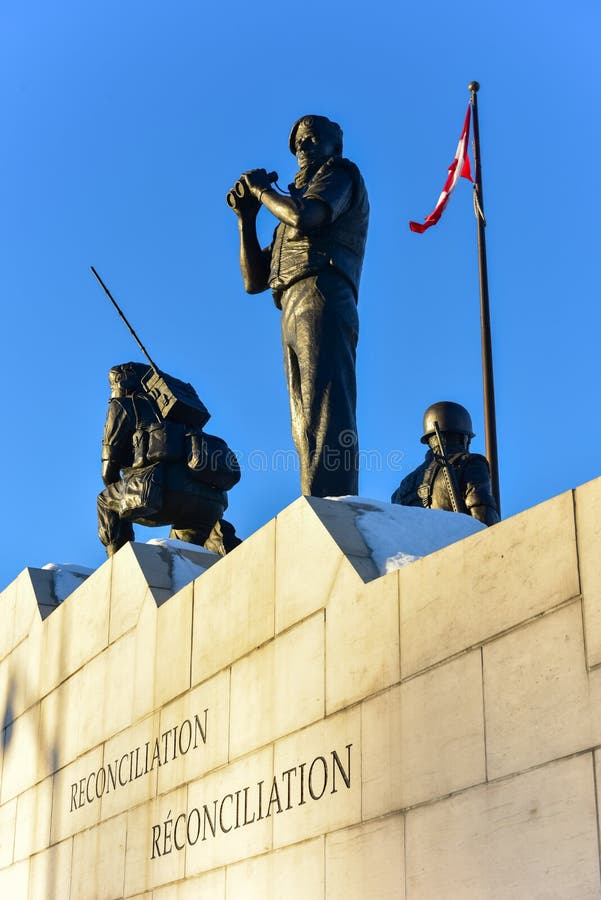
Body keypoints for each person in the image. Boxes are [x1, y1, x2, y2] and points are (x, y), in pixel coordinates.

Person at [228, 114, 369, 497]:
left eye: (310, 140)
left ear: (333, 147)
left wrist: (262, 192)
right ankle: (315, 496)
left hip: (321, 291)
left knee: (325, 404)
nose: (302, 149)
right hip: (291, 300)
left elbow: (304, 217)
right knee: (302, 416)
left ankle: (332, 500)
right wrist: (246, 218)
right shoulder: (290, 202)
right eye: (297, 144)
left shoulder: (340, 173)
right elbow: (254, 281)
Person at [97, 362, 241, 556]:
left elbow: (109, 472)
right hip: (212, 499)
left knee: (105, 501)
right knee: (186, 550)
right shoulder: (178, 410)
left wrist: (130, 485)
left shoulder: (123, 405)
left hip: (162, 490)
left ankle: (119, 565)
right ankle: (219, 539)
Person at [391, 401, 500, 526]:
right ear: (464, 438)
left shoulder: (403, 488)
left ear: (428, 440)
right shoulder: (471, 463)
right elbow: (484, 521)